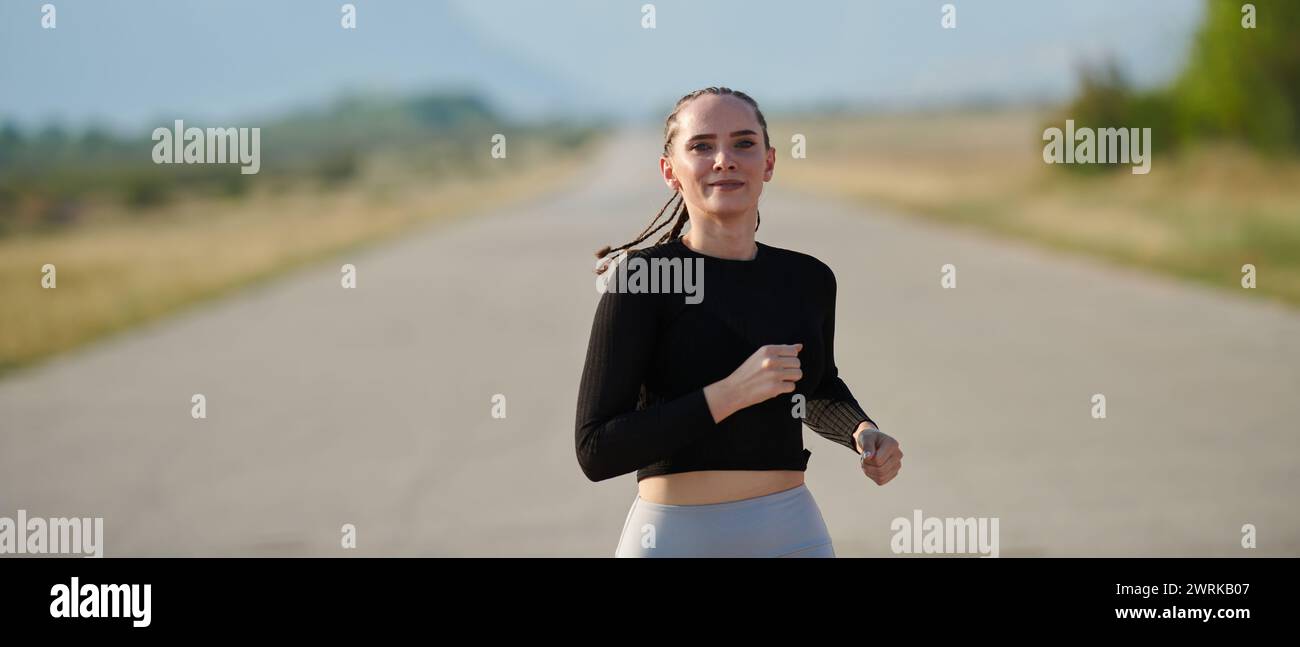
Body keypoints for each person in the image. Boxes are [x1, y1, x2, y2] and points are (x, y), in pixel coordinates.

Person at [575, 87, 903, 557]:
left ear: (768, 163)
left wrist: (862, 431)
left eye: (743, 143)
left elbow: (813, 386)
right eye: (702, 145)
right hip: (671, 539)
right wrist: (730, 394)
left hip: (792, 535)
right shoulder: (642, 280)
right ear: (670, 171)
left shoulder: (807, 278)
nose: (724, 159)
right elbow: (596, 449)